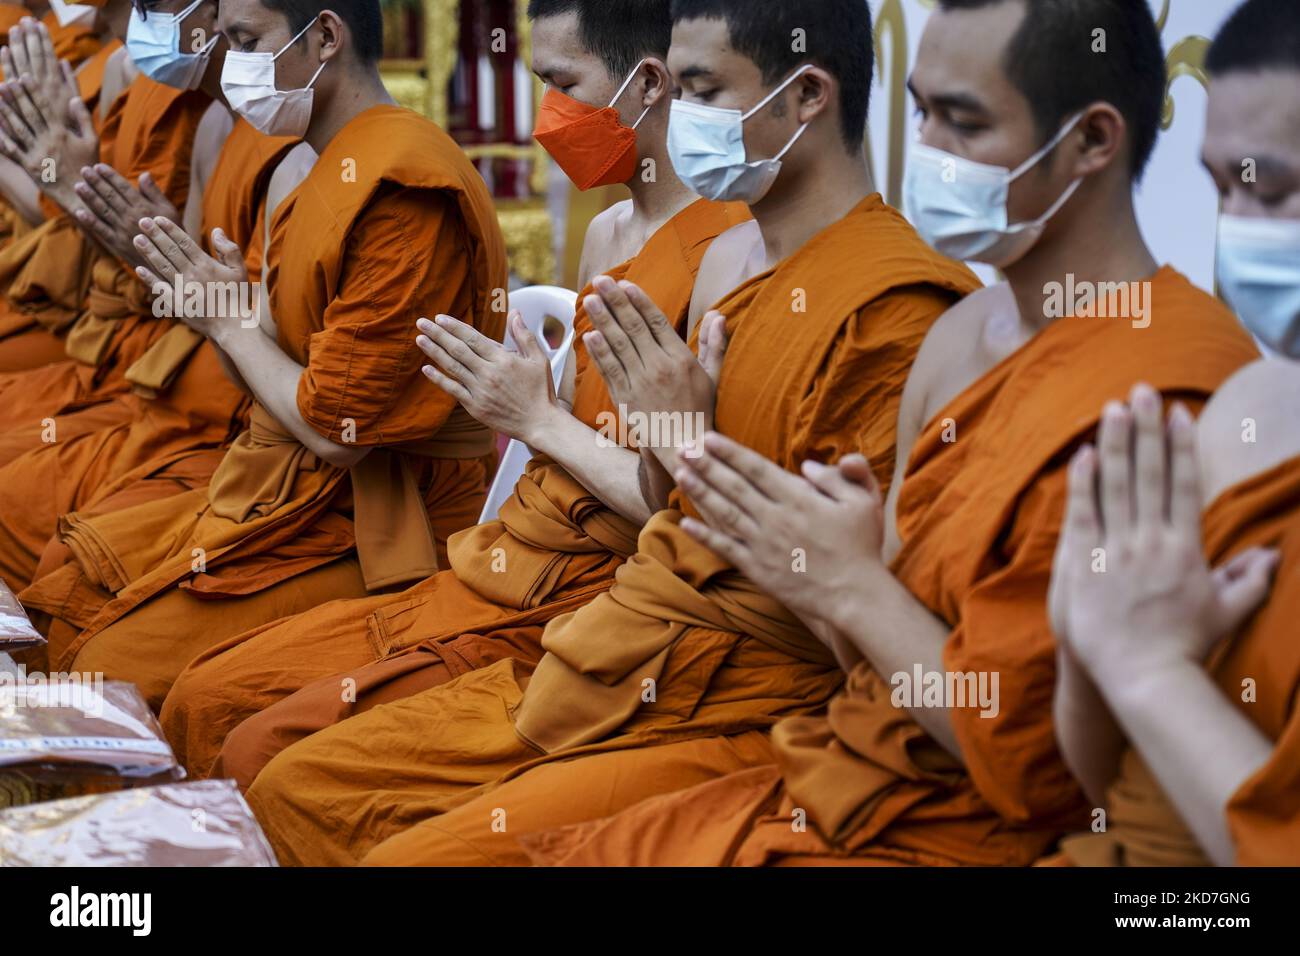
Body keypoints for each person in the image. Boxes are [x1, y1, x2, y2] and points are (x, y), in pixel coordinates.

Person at [509, 0, 1261, 868]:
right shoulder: (958, 337)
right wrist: (833, 570)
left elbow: (1040, 766)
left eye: (965, 122)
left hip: (956, 811)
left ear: (1093, 141)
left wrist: (841, 577)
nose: (932, 153)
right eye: (924, 111)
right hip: (831, 752)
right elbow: (865, 643)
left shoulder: (1155, 381)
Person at [241, 0, 981, 868]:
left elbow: (843, 607)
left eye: (699, 89)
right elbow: (678, 506)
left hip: (730, 674)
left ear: (807, 94)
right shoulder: (731, 264)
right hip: (605, 622)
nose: (679, 114)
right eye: (923, 112)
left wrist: (626, 434)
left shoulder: (902, 311)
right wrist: (665, 442)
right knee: (287, 769)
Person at [157, 0, 749, 778]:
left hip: (594, 590)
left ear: (646, 84)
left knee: (263, 743)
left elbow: (689, 510)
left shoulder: (731, 257)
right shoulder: (608, 234)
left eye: (562, 83)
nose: (546, 118)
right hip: (505, 552)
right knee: (209, 693)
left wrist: (536, 417)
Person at [16, 0, 508, 710]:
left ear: (327, 37)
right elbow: (254, 365)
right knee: (71, 588)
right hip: (279, 477)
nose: (231, 63)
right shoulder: (304, 169)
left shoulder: (404, 186)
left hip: (383, 521)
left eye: (246, 41)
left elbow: (338, 435)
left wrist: (227, 322)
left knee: (116, 663)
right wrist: (219, 312)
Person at [1048, 0, 1299, 867]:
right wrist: (1088, 640)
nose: (1240, 231)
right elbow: (1103, 783)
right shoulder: (1249, 406)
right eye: (1223, 188)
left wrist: (1149, 669)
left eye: (1271, 189)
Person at [0, 0, 306, 605]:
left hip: (240, 420)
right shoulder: (214, 115)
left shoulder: (318, 154)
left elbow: (332, 413)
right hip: (151, 366)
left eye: (244, 37)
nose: (230, 49)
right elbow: (172, 282)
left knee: (76, 583)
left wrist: (67, 189)